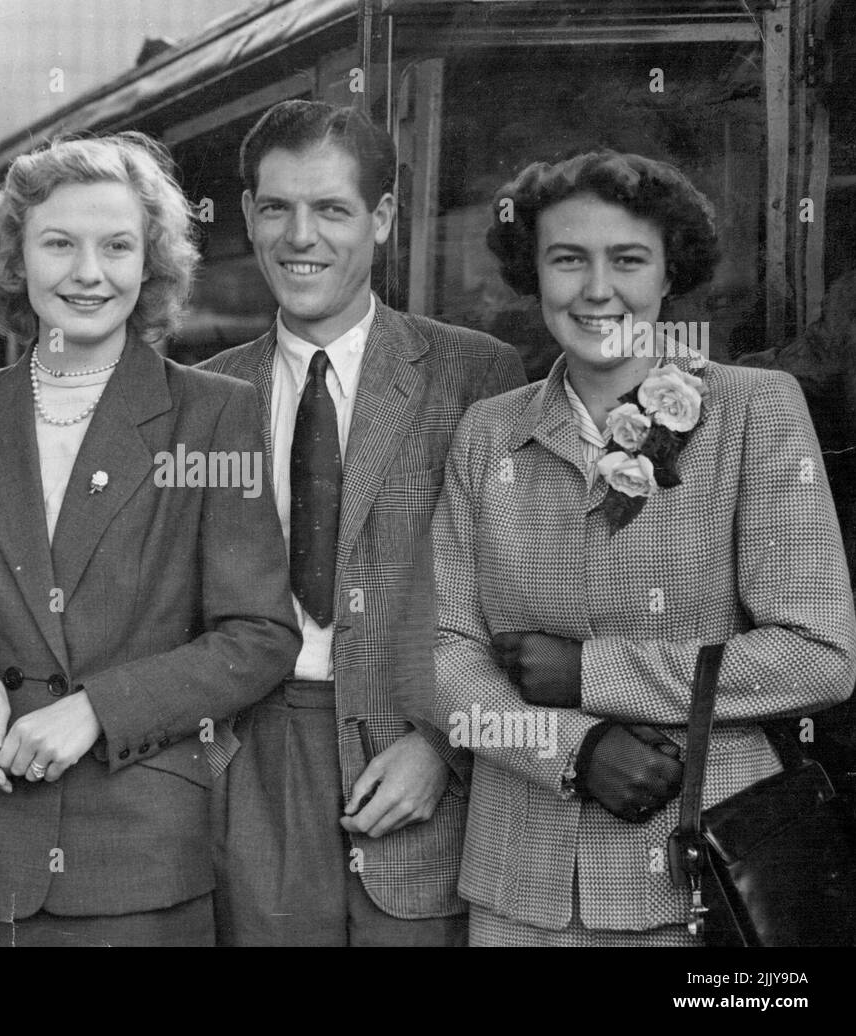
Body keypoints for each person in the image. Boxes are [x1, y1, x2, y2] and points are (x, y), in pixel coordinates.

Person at [431, 150, 856, 946]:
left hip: (705, 882)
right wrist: (573, 746)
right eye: (568, 260)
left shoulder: (757, 413)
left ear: (669, 275)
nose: (598, 290)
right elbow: (442, 650)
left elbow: (819, 655)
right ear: (534, 274)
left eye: (628, 260)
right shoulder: (488, 433)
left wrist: (591, 672)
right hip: (518, 894)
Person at [0, 132, 300, 947]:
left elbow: (260, 634)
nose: (88, 274)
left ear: (151, 262)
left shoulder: (213, 414)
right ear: (13, 260)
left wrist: (98, 709)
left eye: (117, 246)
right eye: (58, 243)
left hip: (138, 856)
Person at [200, 100, 526, 946]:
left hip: (421, 771)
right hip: (252, 769)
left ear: (381, 219)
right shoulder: (200, 397)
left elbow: (521, 597)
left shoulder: (478, 375)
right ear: (246, 216)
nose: (299, 236)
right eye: (275, 208)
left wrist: (445, 747)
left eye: (332, 209)